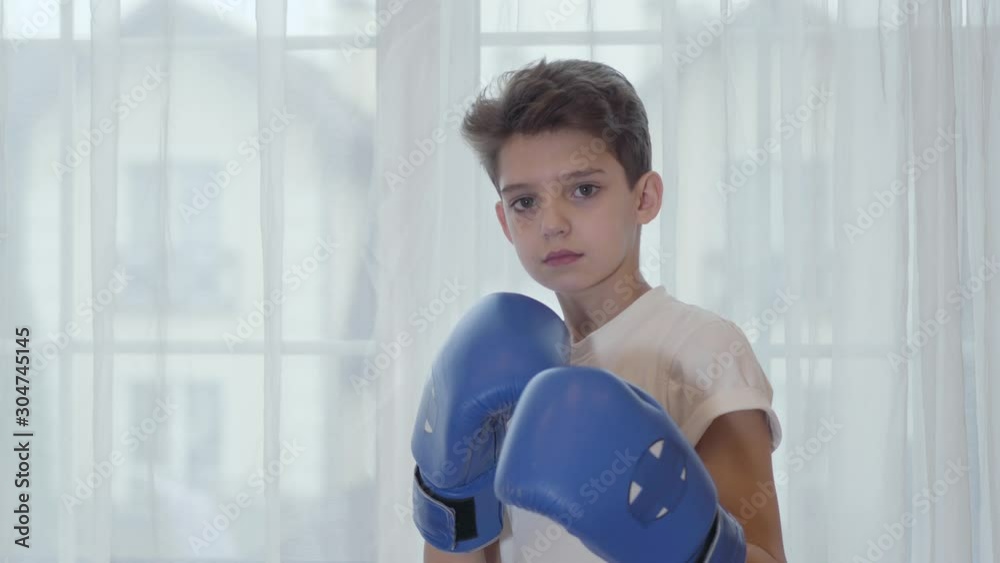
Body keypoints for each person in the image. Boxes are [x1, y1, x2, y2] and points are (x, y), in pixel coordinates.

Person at [417, 58, 786, 563]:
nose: (552, 222)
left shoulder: (702, 347)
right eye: (525, 202)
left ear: (646, 198)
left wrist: (689, 541)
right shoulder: (502, 366)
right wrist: (449, 492)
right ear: (504, 221)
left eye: (583, 189)